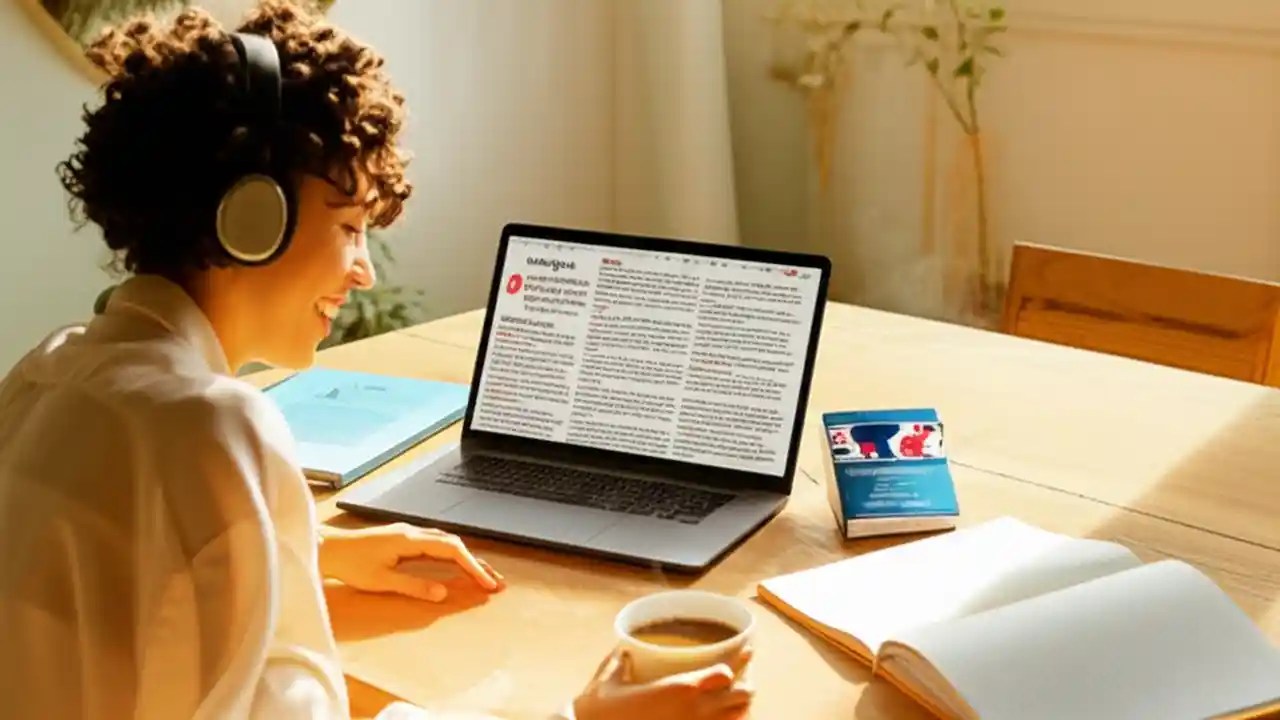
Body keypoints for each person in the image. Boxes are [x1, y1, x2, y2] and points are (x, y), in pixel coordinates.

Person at [0, 1, 753, 719]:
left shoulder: (49, 370)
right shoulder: (211, 425)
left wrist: (310, 548)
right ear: (254, 217)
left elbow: (111, 570)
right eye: (351, 226)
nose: (365, 271)